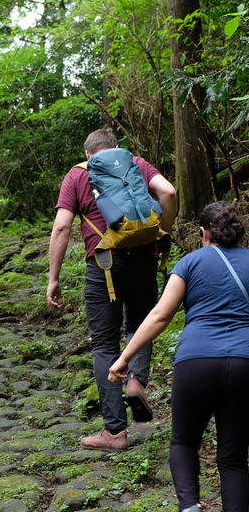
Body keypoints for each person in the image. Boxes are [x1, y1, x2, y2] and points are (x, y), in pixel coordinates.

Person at [109, 201, 249, 512]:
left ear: (204, 232)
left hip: (196, 361)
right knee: (234, 459)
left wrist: (125, 358)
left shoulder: (189, 263)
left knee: (183, 443)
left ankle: (190, 511)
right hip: (244, 364)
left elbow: (159, 315)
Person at [47, 127, 177, 452]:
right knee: (140, 326)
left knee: (105, 344)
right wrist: (163, 235)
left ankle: (115, 432)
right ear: (117, 148)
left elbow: (62, 225)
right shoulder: (136, 164)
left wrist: (54, 277)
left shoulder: (78, 175)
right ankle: (136, 381)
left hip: (104, 265)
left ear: (88, 155)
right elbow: (169, 193)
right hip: (144, 260)